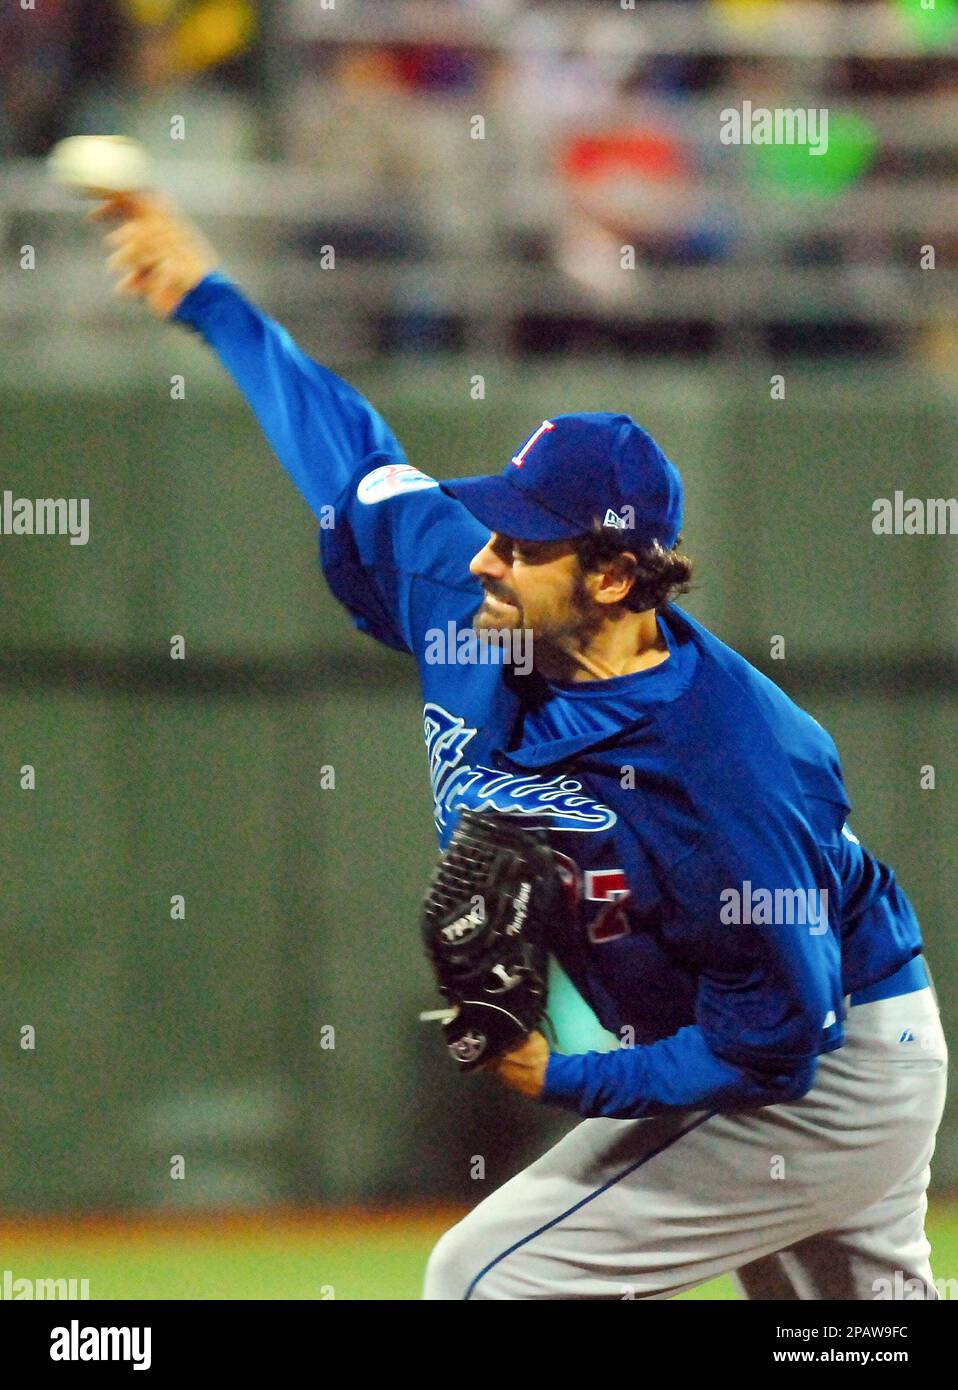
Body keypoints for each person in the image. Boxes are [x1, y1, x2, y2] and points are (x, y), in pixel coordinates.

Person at [93, 194, 948, 1301]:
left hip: (821, 1074)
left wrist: (570, 1074)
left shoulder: (732, 760)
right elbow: (350, 457)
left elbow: (779, 1034)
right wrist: (210, 303)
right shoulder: (467, 597)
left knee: (488, 1277)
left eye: (522, 542)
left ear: (608, 576)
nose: (486, 557)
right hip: (773, 1054)